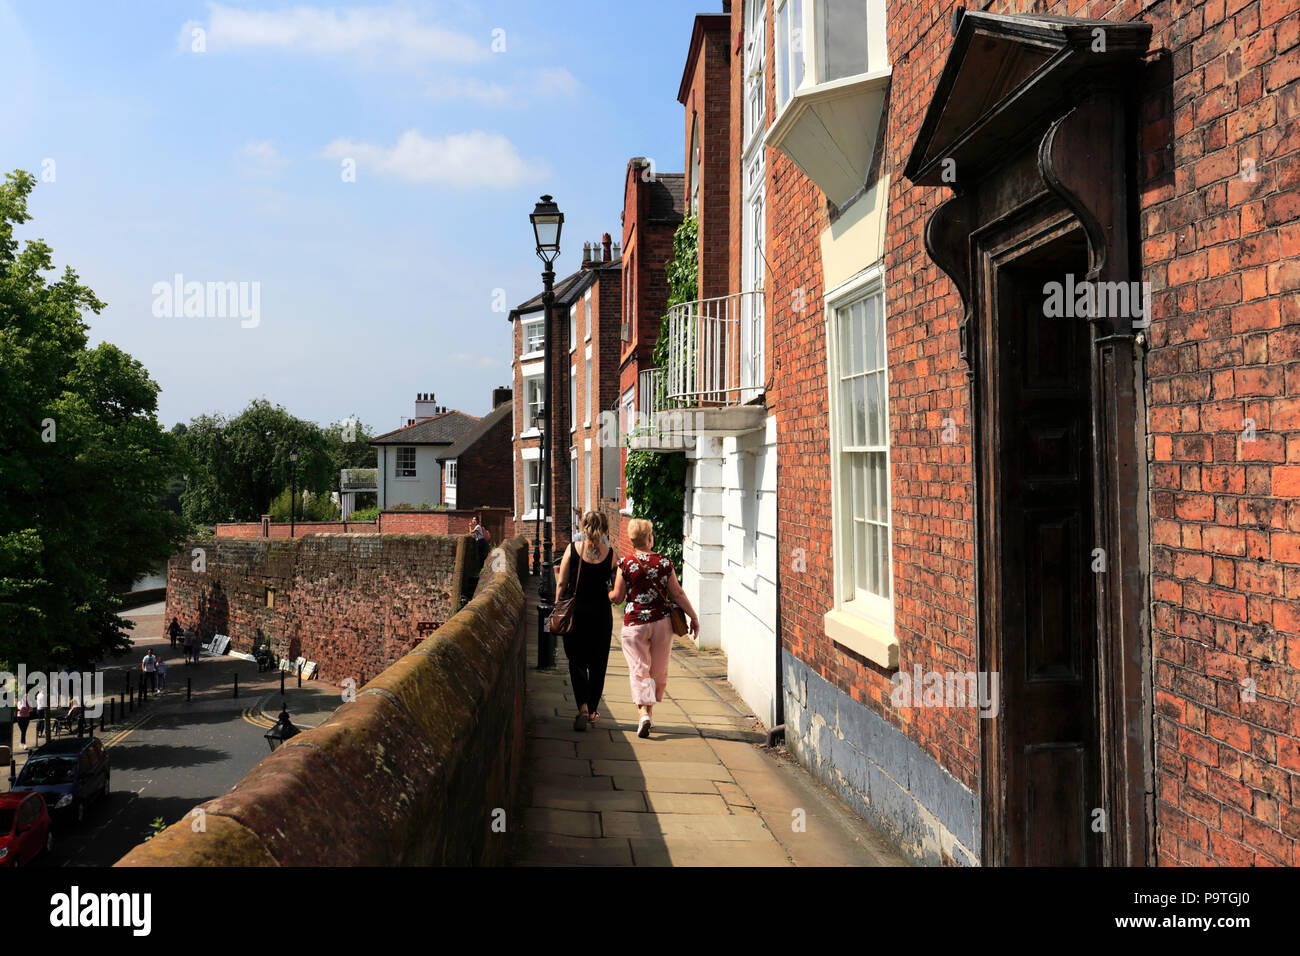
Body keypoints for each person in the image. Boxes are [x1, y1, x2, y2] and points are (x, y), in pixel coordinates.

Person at [609, 518, 700, 738]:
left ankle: (643, 714)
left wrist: (607, 593)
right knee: (657, 670)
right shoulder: (664, 563)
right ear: (650, 538)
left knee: (639, 669)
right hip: (661, 624)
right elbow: (677, 594)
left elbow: (618, 597)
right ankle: (647, 712)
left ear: (632, 540)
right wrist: (693, 617)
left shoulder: (626, 563)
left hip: (635, 624)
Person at [557, 511, 614, 732]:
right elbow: (617, 590)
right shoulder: (611, 554)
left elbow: (562, 583)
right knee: (598, 663)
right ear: (605, 527)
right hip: (601, 614)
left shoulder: (572, 549)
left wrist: (557, 606)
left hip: (576, 612)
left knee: (576, 659)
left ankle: (582, 706)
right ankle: (592, 710)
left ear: (584, 525)